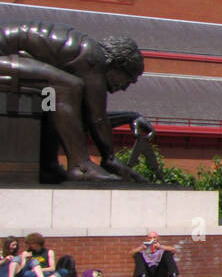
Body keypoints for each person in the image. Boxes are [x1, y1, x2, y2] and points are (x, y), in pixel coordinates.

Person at [0, 23, 145, 181]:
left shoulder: (84, 55)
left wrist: (130, 117)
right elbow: (96, 118)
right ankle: (80, 166)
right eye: (128, 80)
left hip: (10, 59)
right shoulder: (93, 58)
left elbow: (78, 119)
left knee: (56, 103)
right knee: (67, 87)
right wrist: (109, 158)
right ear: (116, 64)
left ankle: (48, 165)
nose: (124, 88)